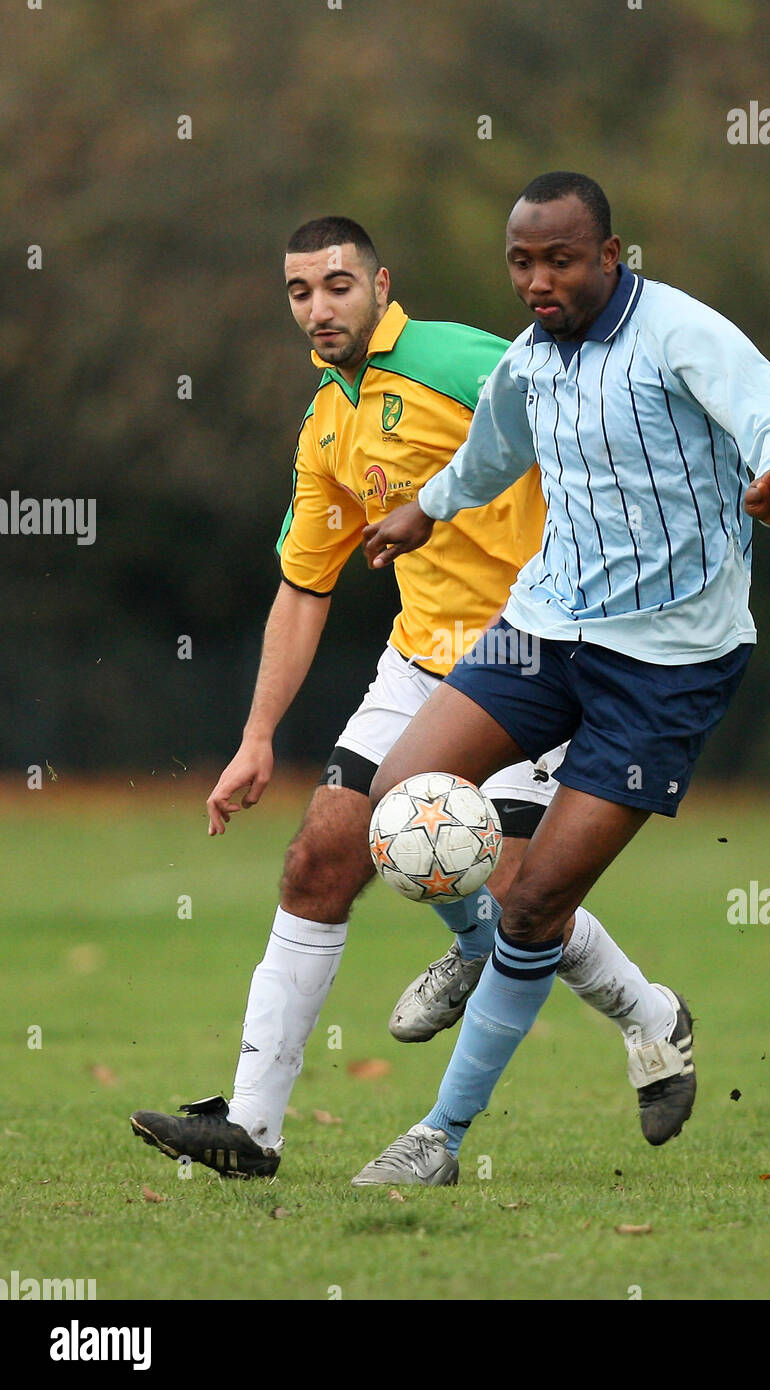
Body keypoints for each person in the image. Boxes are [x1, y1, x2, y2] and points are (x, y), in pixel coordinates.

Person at [130, 215, 678, 1178]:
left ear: (381, 285)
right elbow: (305, 586)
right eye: (299, 291)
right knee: (318, 858)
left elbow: (583, 418)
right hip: (421, 664)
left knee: (518, 898)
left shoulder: (457, 360)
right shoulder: (325, 424)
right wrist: (257, 736)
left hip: (540, 657)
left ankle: (646, 1012)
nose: (317, 306)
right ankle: (251, 1127)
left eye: (336, 285)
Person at [352, 172, 770, 1186]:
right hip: (542, 631)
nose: (537, 279)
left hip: (668, 666)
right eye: (521, 261)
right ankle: (477, 950)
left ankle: (440, 1136)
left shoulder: (683, 336)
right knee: (395, 798)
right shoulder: (528, 362)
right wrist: (423, 508)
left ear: (612, 255)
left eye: (559, 258)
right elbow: (488, 457)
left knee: (537, 901)